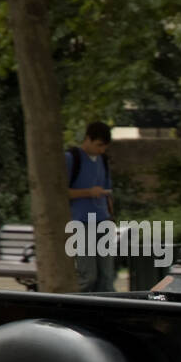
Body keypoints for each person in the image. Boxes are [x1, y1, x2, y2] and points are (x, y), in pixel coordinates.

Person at [67, 122, 116, 292]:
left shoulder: (103, 160)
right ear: (88, 139)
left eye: (105, 146)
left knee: (107, 276)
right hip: (81, 222)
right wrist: (88, 192)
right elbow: (61, 194)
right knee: (88, 276)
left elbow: (107, 191)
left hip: (103, 220)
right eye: (99, 145)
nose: (102, 150)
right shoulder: (72, 158)